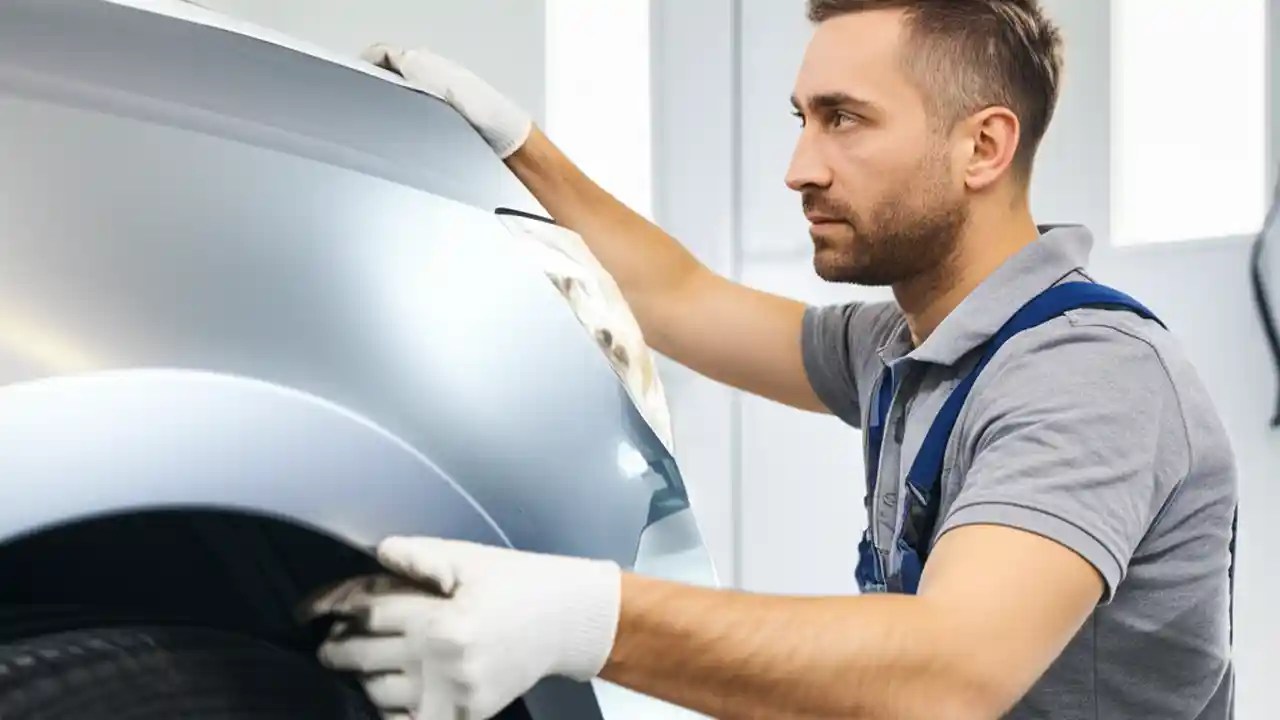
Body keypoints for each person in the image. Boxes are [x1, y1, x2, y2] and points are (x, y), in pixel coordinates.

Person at [303, 1, 1238, 718]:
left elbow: (950, 673)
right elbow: (682, 298)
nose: (799, 166)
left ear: (983, 146)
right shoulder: (902, 345)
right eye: (802, 117)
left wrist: (579, 616)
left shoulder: (1090, 374)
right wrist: (516, 142)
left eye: (844, 120)